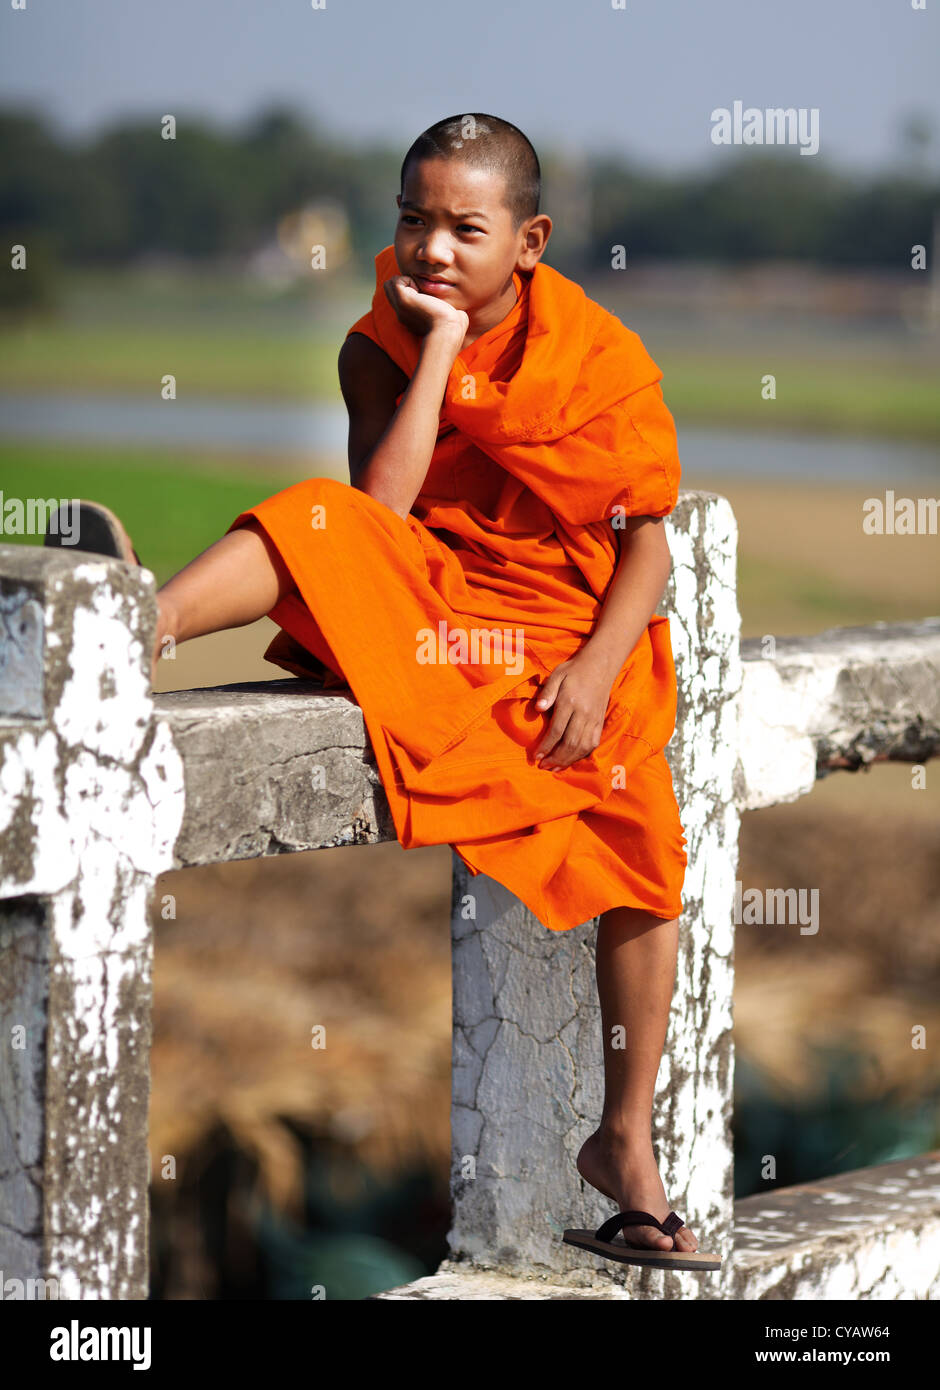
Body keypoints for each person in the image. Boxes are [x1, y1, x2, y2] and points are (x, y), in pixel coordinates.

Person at [47, 112, 718, 1271]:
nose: (432, 251)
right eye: (414, 222)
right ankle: (137, 621)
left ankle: (623, 1143)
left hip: (563, 634)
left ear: (531, 240)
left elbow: (646, 546)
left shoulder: (593, 357)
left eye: (466, 229)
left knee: (645, 846)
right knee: (314, 514)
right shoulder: (378, 345)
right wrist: (440, 355)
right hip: (442, 602)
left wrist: (601, 664)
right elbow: (380, 515)